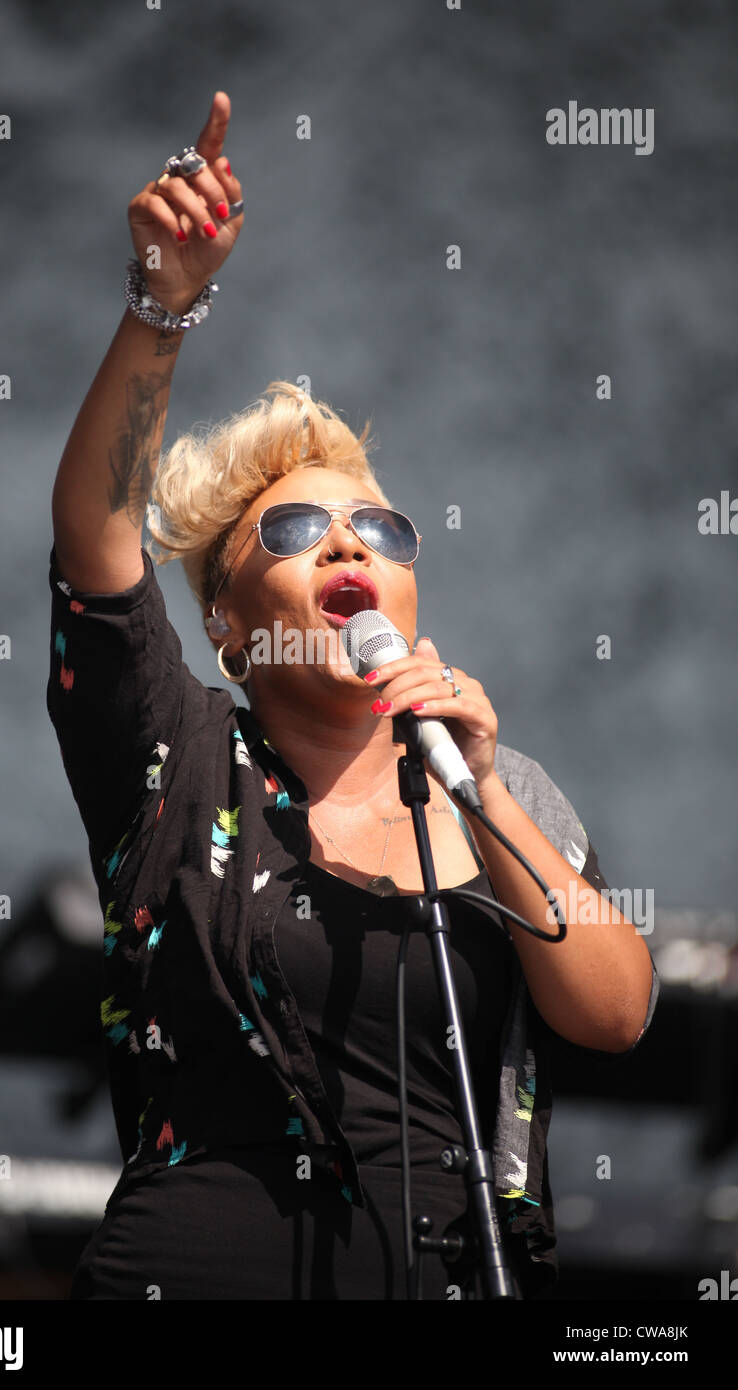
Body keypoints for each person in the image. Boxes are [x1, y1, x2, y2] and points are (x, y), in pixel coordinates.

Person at [47, 92, 659, 1300]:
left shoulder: (496, 786)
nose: (347, 547)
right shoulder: (175, 758)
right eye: (295, 528)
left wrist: (479, 784)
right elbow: (94, 544)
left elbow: (614, 1015)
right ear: (224, 621)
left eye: (377, 527)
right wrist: (163, 306)